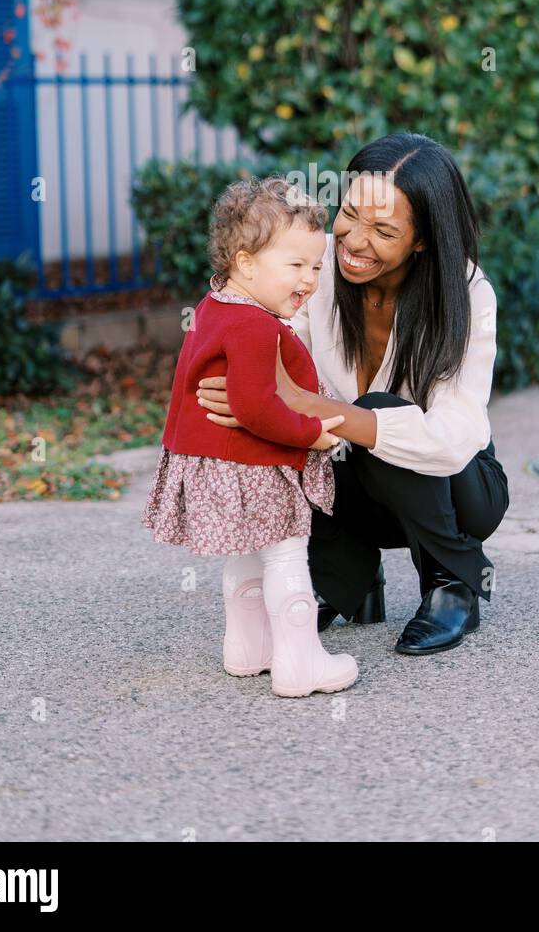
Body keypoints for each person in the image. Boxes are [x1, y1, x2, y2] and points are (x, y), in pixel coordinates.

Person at [197, 133, 509, 657]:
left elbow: (458, 435)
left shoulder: (467, 292)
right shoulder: (311, 267)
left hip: (460, 491)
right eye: (349, 213)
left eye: (383, 230)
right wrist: (249, 395)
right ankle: (350, 582)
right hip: (356, 486)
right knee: (284, 426)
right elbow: (272, 353)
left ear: (423, 240)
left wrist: (324, 410)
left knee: (376, 411)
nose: (353, 240)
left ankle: (451, 582)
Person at [141, 174, 359, 699]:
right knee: (285, 555)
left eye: (314, 266)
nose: (308, 280)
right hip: (254, 465)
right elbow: (257, 408)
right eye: (295, 266)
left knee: (245, 553)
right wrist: (313, 435)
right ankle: (299, 664)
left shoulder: (215, 308)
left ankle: (247, 648)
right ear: (244, 262)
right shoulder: (258, 328)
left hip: (213, 463)